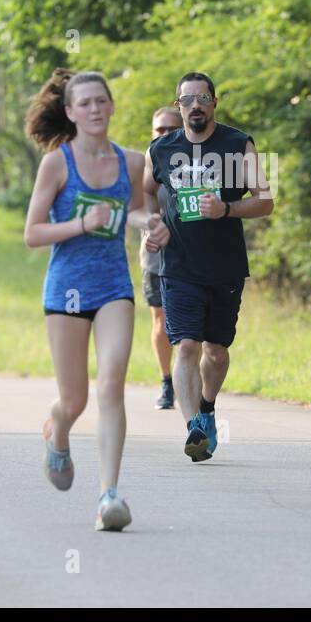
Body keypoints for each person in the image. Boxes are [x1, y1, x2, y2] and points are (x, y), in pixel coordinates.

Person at [23, 70, 167, 531]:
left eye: (100, 101)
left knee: (111, 385)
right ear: (70, 112)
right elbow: (32, 233)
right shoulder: (57, 164)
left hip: (113, 287)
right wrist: (82, 224)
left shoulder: (131, 162)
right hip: (65, 287)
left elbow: (135, 211)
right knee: (75, 399)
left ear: (111, 106)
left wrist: (151, 224)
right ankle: (57, 430)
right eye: (84, 103)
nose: (94, 109)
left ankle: (109, 495)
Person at [145, 72, 273, 462]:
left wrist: (228, 209)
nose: (195, 105)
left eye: (203, 98)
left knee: (215, 351)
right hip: (179, 265)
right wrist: (154, 224)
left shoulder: (238, 144)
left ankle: (207, 408)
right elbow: (146, 194)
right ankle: (194, 430)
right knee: (186, 344)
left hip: (225, 266)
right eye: (187, 100)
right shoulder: (161, 149)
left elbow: (266, 200)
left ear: (214, 102)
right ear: (178, 104)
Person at [139, 106, 183, 410]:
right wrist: (149, 226)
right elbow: (137, 205)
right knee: (161, 320)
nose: (164, 134)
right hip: (156, 255)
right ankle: (167, 381)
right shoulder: (148, 159)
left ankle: (189, 377)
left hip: (192, 253)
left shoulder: (195, 158)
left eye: (171, 129)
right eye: (159, 130)